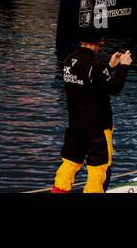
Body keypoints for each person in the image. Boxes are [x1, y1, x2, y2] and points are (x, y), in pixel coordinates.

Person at [53, 26, 132, 193]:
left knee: (70, 163)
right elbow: (115, 88)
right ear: (98, 44)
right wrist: (123, 66)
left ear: (82, 42)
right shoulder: (95, 66)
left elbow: (90, 81)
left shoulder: (69, 61)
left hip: (75, 125)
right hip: (97, 127)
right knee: (98, 169)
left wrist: (110, 67)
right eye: (100, 46)